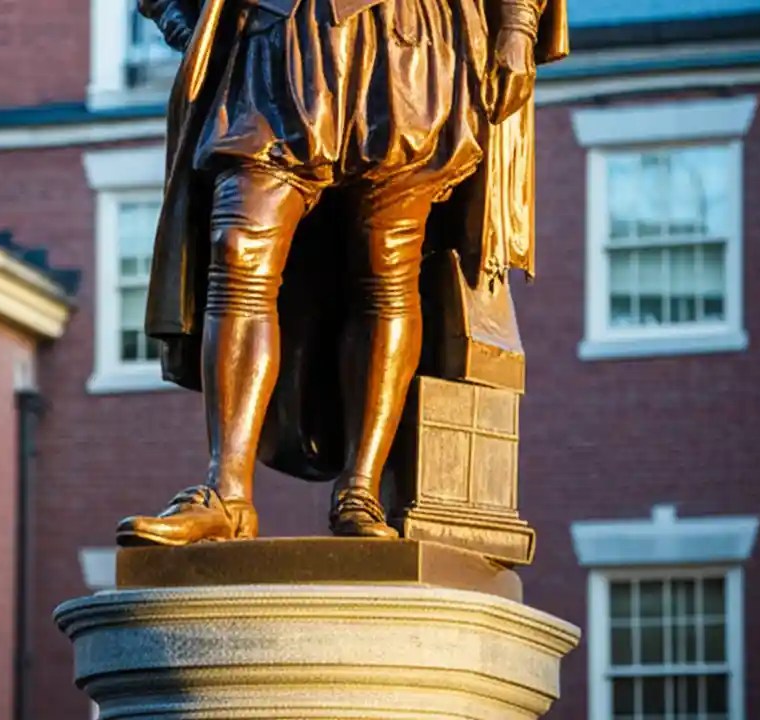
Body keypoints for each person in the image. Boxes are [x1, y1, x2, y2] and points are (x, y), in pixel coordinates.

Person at [117, 0, 568, 546]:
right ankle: (227, 491)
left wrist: (518, 24)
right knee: (237, 249)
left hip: (410, 42)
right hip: (276, 38)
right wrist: (182, 22)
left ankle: (361, 488)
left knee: (388, 268)